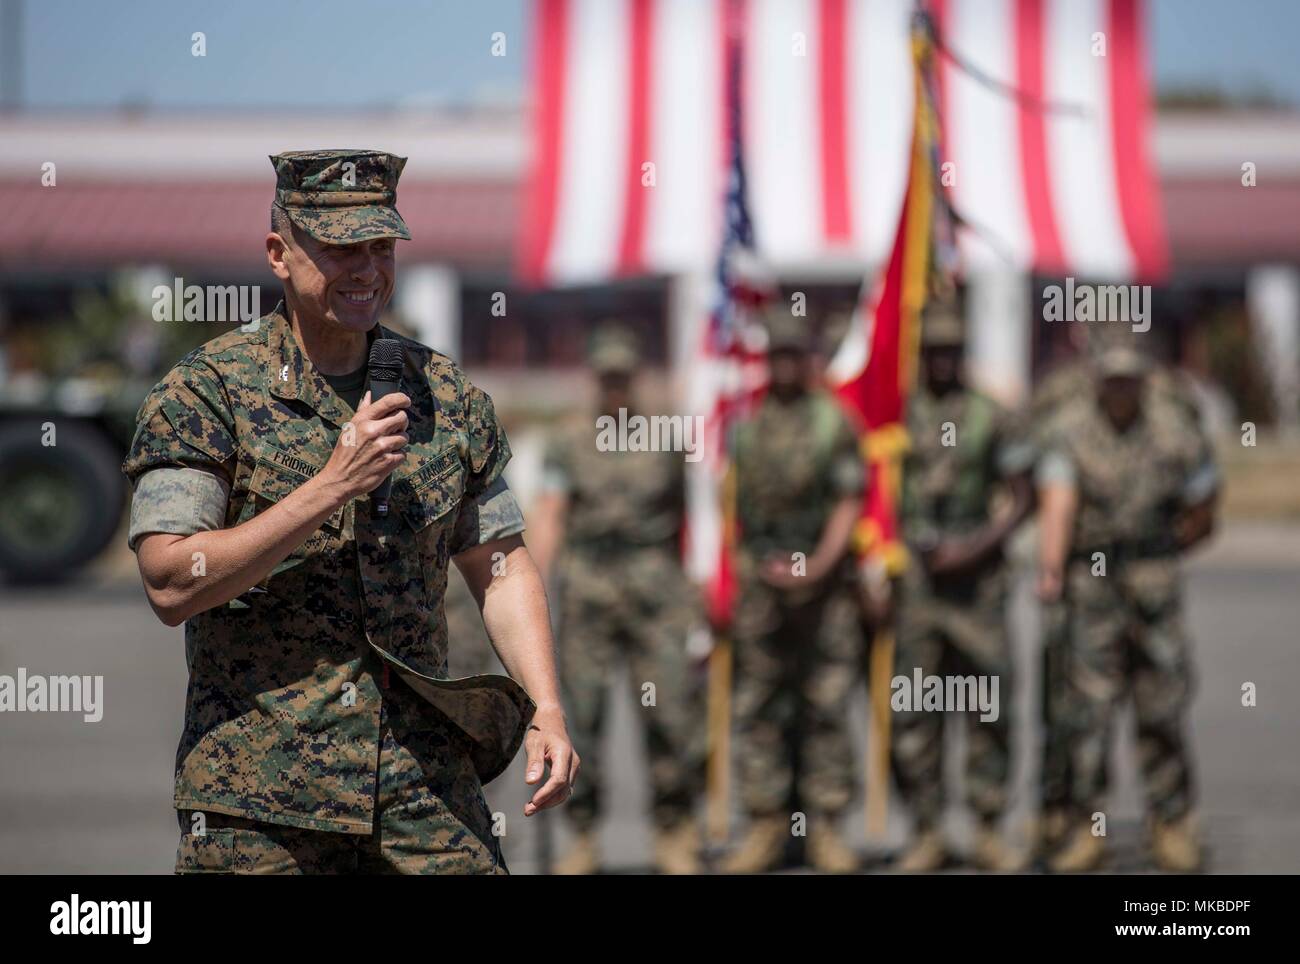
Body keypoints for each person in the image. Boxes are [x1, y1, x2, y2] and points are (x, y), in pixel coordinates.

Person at [123, 149, 576, 874]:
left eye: (381, 247)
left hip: (423, 784)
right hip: (261, 796)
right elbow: (172, 582)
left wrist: (545, 706)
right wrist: (330, 487)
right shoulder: (206, 395)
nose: (367, 270)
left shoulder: (444, 395)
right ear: (279, 253)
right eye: (340, 249)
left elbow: (501, 565)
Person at [529, 324, 705, 874]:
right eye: (607, 378)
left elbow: (690, 514)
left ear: (636, 377)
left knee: (671, 713)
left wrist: (697, 589)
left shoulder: (667, 437)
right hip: (590, 589)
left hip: (657, 592)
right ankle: (583, 836)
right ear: (595, 379)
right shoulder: (568, 439)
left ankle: (674, 830)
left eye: (623, 378)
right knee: (583, 716)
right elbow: (551, 515)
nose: (615, 388)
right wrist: (536, 591)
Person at [1036, 346, 1218, 872]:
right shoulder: (1072, 429)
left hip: (1153, 584)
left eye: (1128, 380)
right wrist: (1051, 567)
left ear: (1143, 380)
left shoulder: (1172, 429)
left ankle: (1172, 822)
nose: (1120, 390)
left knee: (1162, 704)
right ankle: (1087, 826)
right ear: (1097, 381)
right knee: (1087, 713)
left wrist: (1164, 551)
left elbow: (1204, 500)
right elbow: (1058, 499)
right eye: (1111, 380)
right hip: (1092, 585)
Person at [890, 302, 1034, 872]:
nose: (943, 360)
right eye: (934, 350)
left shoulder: (988, 415)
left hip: (977, 585)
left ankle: (988, 825)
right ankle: (926, 829)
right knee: (913, 711)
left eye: (952, 350)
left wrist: (975, 547)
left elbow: (1022, 496)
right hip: (915, 586)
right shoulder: (895, 413)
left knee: (986, 706)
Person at [721, 308, 865, 874]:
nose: (784, 364)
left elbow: (850, 502)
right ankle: (765, 824)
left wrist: (818, 566)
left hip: (823, 589)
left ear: (806, 360)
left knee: (826, 703)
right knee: (759, 706)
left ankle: (825, 826)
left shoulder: (834, 423)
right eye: (775, 354)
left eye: (792, 354)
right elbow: (729, 510)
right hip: (763, 587)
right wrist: (737, 575)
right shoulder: (746, 427)